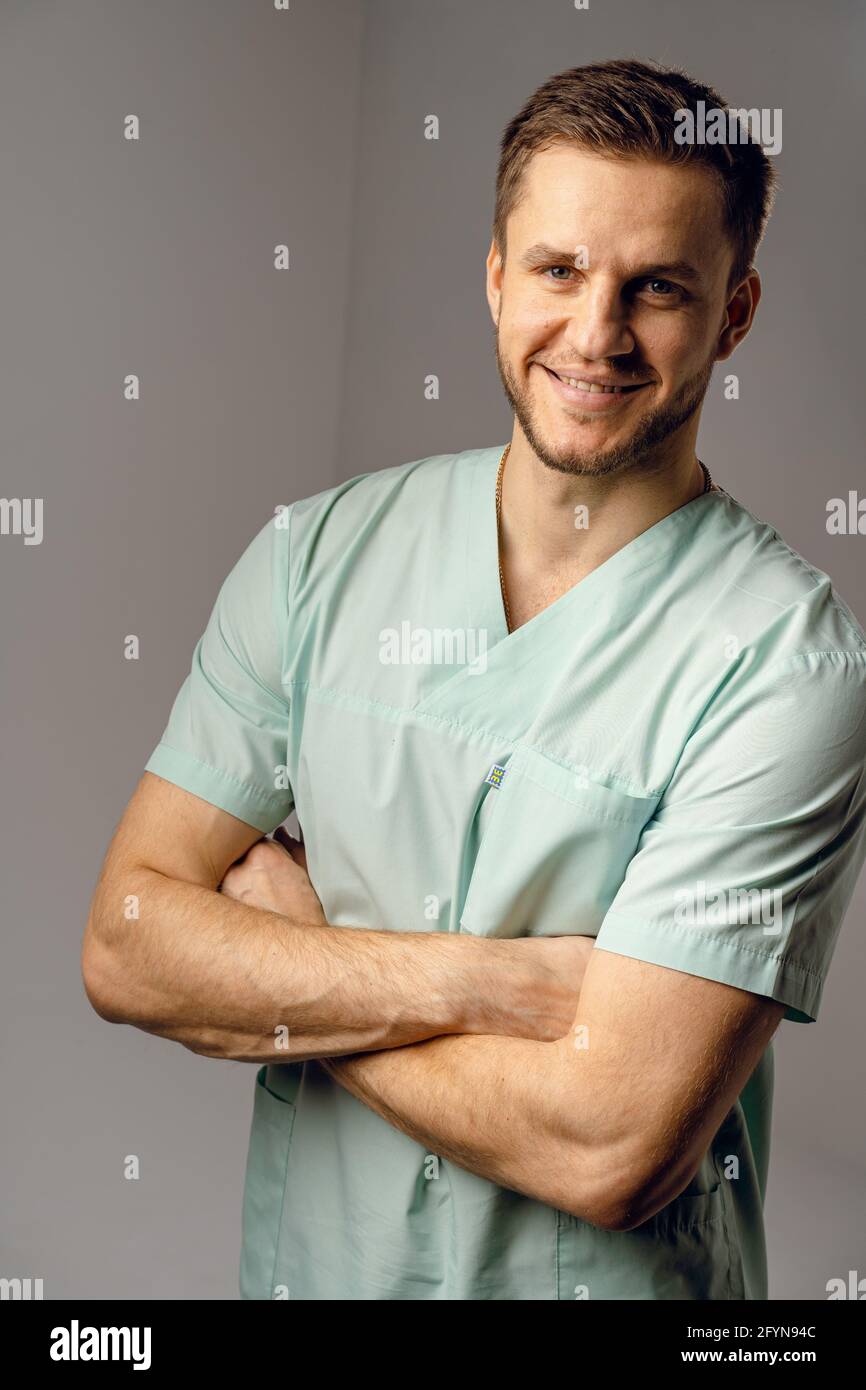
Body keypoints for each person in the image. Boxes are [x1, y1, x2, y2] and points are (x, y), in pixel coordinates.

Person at [83, 58, 866, 1300]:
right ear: (496, 278)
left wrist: (293, 961)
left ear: (735, 312)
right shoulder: (318, 558)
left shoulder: (787, 661)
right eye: (556, 270)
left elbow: (612, 1144)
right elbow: (128, 946)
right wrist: (491, 984)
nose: (596, 333)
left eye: (655, 288)